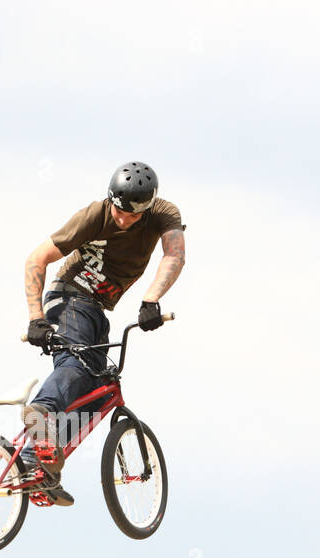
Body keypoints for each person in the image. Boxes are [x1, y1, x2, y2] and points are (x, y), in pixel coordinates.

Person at [21, 161, 186, 506]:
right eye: (119, 211)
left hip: (97, 309)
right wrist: (36, 318)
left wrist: (151, 300)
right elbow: (37, 259)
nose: (123, 219)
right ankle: (42, 411)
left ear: (148, 206)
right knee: (76, 365)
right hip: (69, 298)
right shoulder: (95, 215)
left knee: (96, 393)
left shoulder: (163, 214)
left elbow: (174, 254)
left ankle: (38, 463)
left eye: (132, 215)